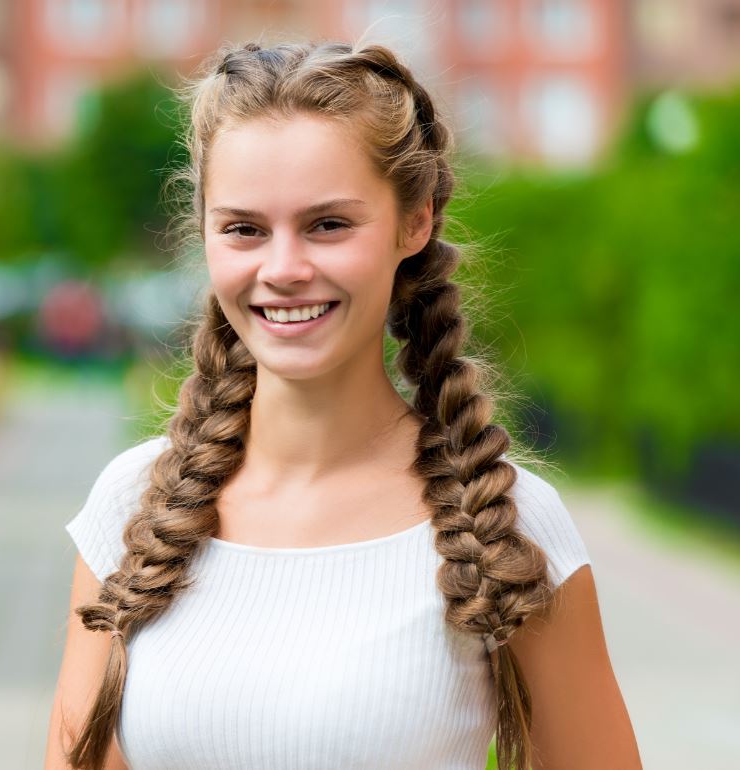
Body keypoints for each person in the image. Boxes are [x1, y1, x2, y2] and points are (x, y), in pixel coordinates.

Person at [45, 39, 643, 770]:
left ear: (414, 222)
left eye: (328, 225)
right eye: (244, 229)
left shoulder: (505, 525)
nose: (284, 268)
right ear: (204, 233)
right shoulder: (129, 509)